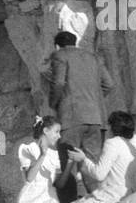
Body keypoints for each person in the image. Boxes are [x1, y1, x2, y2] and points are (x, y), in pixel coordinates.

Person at [42, 29, 115, 169]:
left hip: (71, 117)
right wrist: (93, 99)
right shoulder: (94, 58)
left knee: (68, 166)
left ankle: (71, 191)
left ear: (57, 46)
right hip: (96, 119)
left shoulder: (60, 55)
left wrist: (54, 102)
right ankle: (93, 191)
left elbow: (58, 83)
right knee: (91, 165)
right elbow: (109, 84)